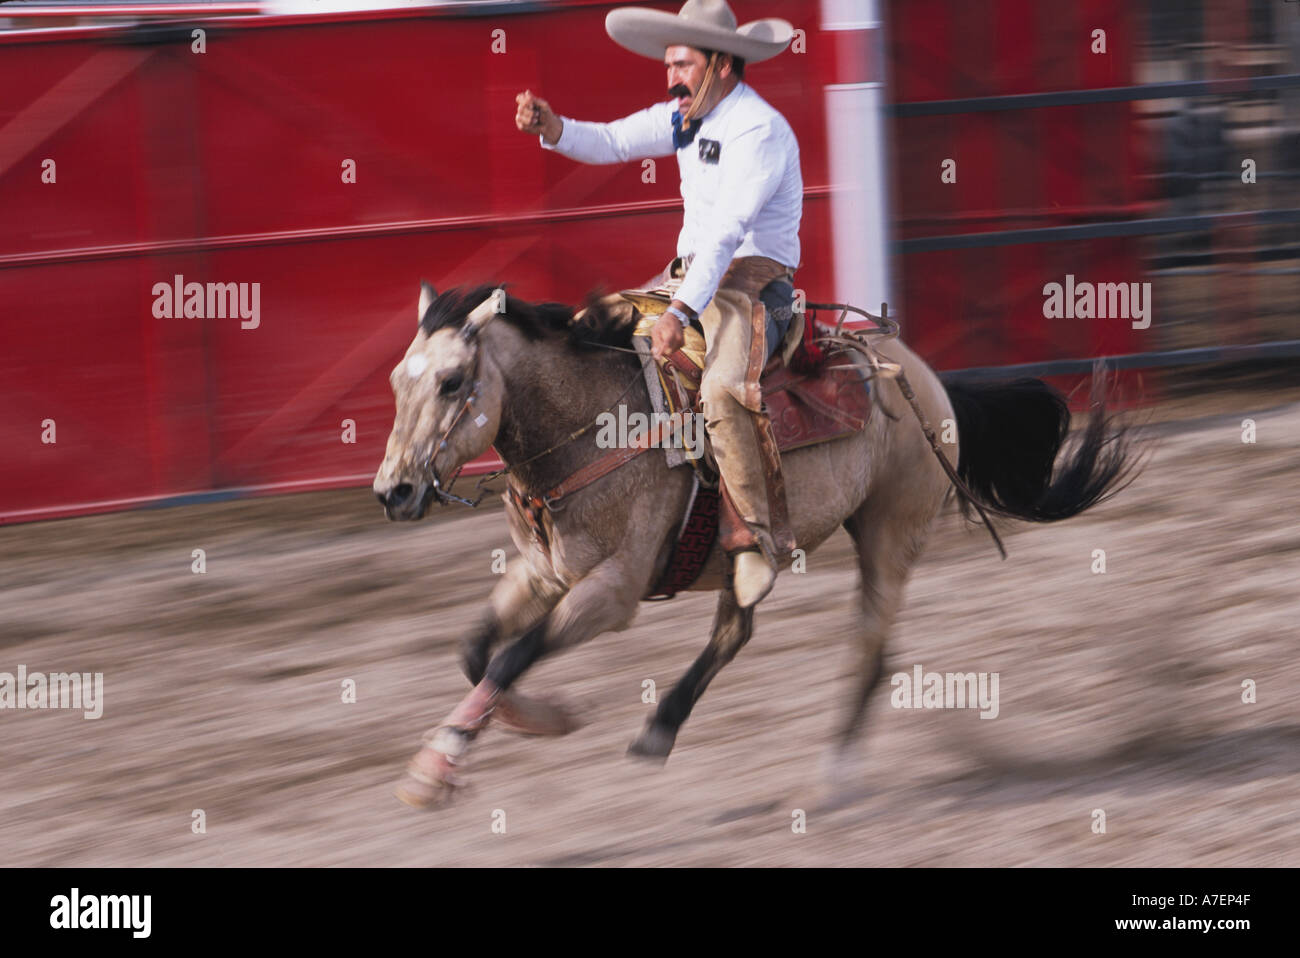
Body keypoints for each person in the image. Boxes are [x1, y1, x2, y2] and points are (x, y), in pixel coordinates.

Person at [513, 0, 801, 609]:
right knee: (585, 338)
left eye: (682, 63)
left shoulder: (760, 129)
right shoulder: (684, 118)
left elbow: (726, 233)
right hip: (689, 282)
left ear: (722, 64)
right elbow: (615, 139)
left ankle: (751, 539)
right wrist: (553, 127)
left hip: (751, 289)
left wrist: (679, 313)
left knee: (723, 389)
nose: (670, 75)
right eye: (668, 63)